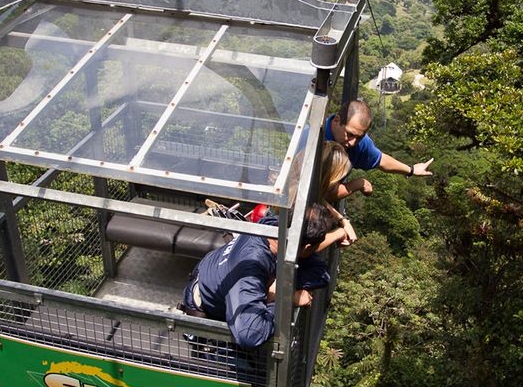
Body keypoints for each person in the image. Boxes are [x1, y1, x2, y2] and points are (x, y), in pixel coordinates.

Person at [180, 203, 348, 349]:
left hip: (224, 276)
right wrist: (285, 297)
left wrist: (278, 287)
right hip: (205, 302)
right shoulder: (251, 271)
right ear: (305, 248)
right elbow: (250, 335)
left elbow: (321, 274)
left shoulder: (276, 226)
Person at [326, 100, 434, 199]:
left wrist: (411, 170)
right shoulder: (316, 140)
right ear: (336, 120)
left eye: (359, 137)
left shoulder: (359, 143)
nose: (353, 142)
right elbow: (327, 192)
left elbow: (380, 160)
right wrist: (359, 183)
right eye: (349, 134)